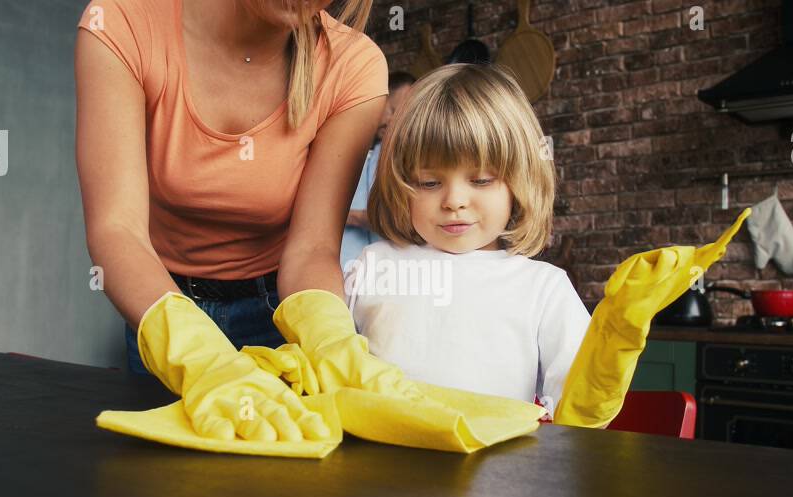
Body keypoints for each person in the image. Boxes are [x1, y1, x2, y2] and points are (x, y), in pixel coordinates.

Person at [75, 0, 394, 440]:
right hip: (161, 305)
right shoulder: (122, 20)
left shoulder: (354, 65)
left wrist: (330, 339)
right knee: (159, 494)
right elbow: (118, 229)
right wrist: (196, 353)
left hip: (275, 313)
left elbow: (313, 249)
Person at [348, 64, 591, 415]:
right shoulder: (372, 266)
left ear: (520, 181)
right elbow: (327, 370)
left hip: (498, 469)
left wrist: (618, 338)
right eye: (430, 183)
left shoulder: (543, 288)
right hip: (381, 466)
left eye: (480, 180)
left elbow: (581, 404)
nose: (454, 200)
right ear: (401, 184)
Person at [339, 71, 415, 272]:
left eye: (402, 117)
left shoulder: (401, 155)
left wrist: (341, 215)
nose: (393, 122)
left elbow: (400, 220)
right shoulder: (343, 149)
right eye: (391, 109)